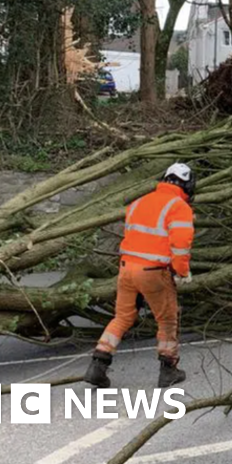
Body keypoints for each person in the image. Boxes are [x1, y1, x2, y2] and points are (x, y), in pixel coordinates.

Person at [84, 163, 197, 388]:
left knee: (122, 317)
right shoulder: (179, 207)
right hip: (154, 271)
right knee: (167, 319)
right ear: (187, 185)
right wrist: (182, 271)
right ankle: (168, 369)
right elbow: (181, 244)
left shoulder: (139, 202)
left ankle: (99, 362)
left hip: (127, 268)